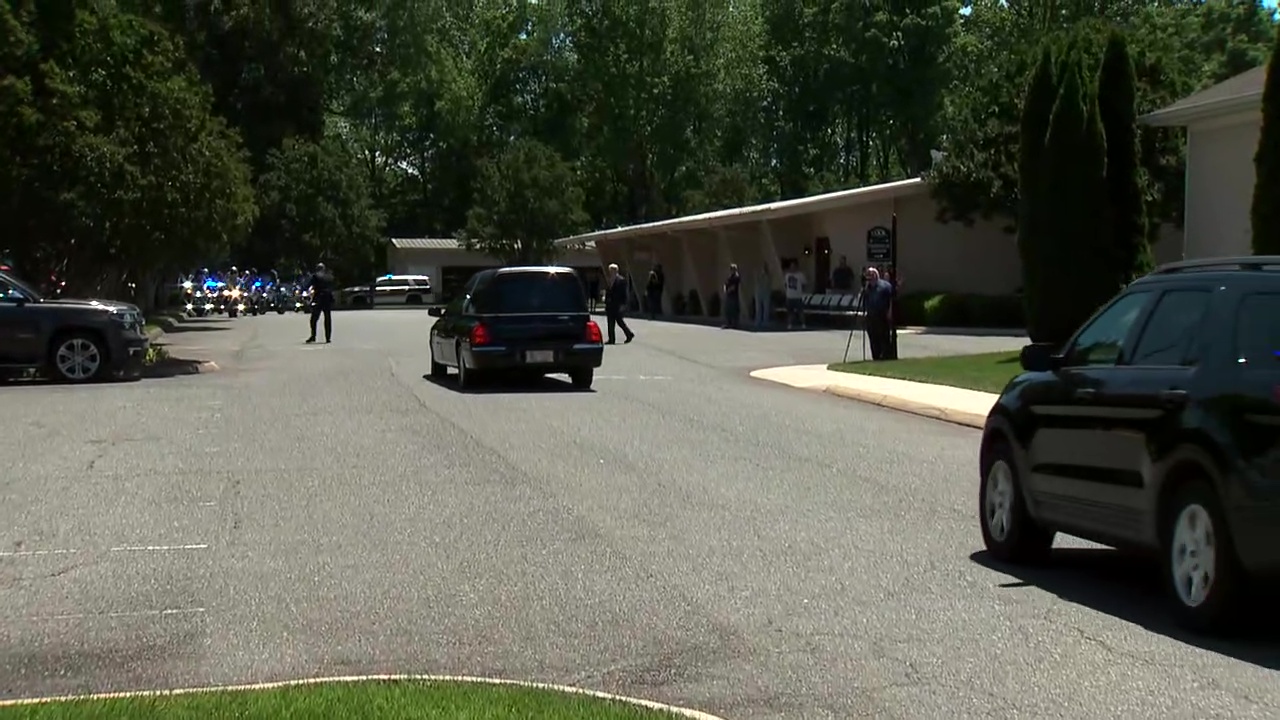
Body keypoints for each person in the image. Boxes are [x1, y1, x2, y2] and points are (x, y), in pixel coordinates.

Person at [862, 267, 894, 360]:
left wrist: (890, 312)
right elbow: (864, 300)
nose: (870, 277)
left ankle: (885, 356)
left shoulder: (885, 286)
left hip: (882, 316)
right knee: (873, 338)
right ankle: (876, 356)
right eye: (868, 275)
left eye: (871, 274)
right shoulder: (867, 288)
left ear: (876, 275)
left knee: (883, 337)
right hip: (871, 316)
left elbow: (891, 299)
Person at [604, 263, 634, 344]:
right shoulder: (610, 280)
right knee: (610, 322)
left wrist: (623, 304)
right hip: (610, 304)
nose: (610, 272)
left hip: (617, 304)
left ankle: (629, 334)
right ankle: (611, 339)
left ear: (615, 270)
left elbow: (623, 293)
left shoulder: (621, 280)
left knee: (619, 321)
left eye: (611, 270)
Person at [305, 262, 336, 344]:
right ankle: (328, 338)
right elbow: (333, 286)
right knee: (327, 319)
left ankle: (313, 336)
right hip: (327, 298)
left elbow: (308, 285)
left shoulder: (315, 276)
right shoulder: (329, 276)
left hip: (319, 298)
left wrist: (304, 290)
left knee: (314, 319)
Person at [783, 261, 806, 330]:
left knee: (800, 311)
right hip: (789, 296)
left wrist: (801, 292)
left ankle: (803, 324)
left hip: (798, 296)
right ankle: (789, 324)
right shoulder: (787, 275)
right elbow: (785, 284)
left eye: (794, 266)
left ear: (796, 267)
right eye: (791, 267)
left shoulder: (800, 275)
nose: (792, 268)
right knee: (790, 312)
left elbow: (804, 284)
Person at [722, 263, 742, 329]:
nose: (731, 270)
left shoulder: (736, 277)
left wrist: (728, 290)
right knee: (728, 310)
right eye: (731, 269)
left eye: (732, 269)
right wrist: (725, 289)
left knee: (734, 310)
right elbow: (726, 283)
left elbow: (734, 286)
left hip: (733, 295)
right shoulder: (730, 277)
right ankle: (728, 323)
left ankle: (735, 324)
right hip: (729, 295)